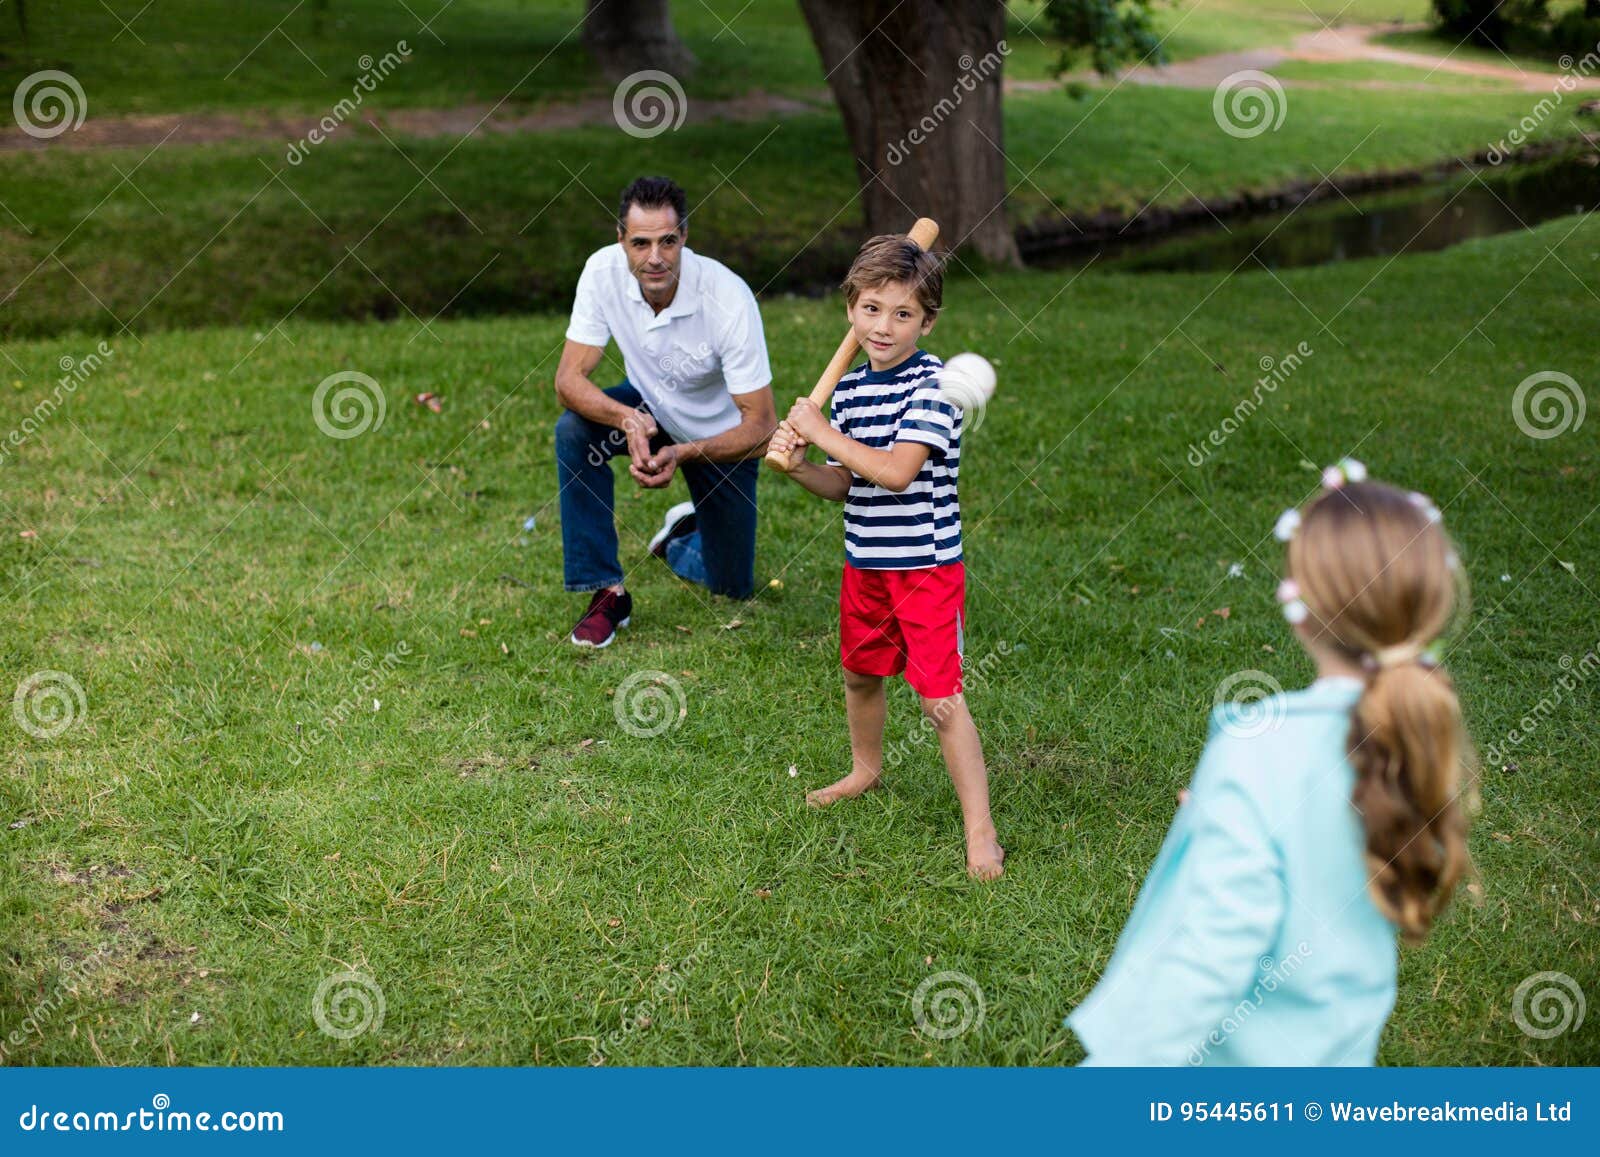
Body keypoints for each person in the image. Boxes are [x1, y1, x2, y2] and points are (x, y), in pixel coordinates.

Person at [1067, 461, 1476, 1064]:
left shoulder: (1259, 748)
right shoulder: (1418, 730)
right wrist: (1226, 813)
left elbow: (1215, 952)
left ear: (1300, 608)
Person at [767, 235, 1003, 881]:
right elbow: (849, 483)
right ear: (851, 309)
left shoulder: (936, 387)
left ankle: (980, 830)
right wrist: (801, 465)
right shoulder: (846, 392)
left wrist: (820, 432)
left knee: (939, 701)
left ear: (927, 322)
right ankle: (865, 768)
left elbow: (897, 472)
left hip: (924, 567)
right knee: (860, 674)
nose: (884, 326)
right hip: (865, 563)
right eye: (872, 308)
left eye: (903, 314)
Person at [554, 176, 776, 648]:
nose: (654, 257)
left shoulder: (728, 298)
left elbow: (761, 426)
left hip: (721, 442)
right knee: (574, 432)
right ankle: (606, 593)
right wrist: (628, 419)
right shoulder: (601, 272)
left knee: (731, 585)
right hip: (650, 412)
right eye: (640, 243)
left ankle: (680, 536)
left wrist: (684, 452)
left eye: (666, 242)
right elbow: (568, 380)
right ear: (621, 241)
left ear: (684, 239)